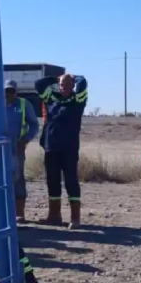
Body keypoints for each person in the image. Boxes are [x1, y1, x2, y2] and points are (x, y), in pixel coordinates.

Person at [36, 72, 88, 227]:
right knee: (52, 182)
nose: (64, 88)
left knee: (71, 181)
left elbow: (83, 82)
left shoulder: (77, 100)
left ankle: (75, 218)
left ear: (73, 86)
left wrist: (73, 77)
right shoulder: (51, 98)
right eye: (62, 85)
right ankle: (54, 216)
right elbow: (39, 84)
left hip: (69, 149)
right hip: (50, 147)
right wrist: (56, 78)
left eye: (67, 85)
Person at [4, 80, 40, 223]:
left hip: (16, 150)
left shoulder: (24, 104)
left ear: (16, 92)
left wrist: (25, 140)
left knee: (17, 180)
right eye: (6, 91)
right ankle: (3, 214)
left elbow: (34, 125)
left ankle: (19, 214)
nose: (8, 94)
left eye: (11, 91)